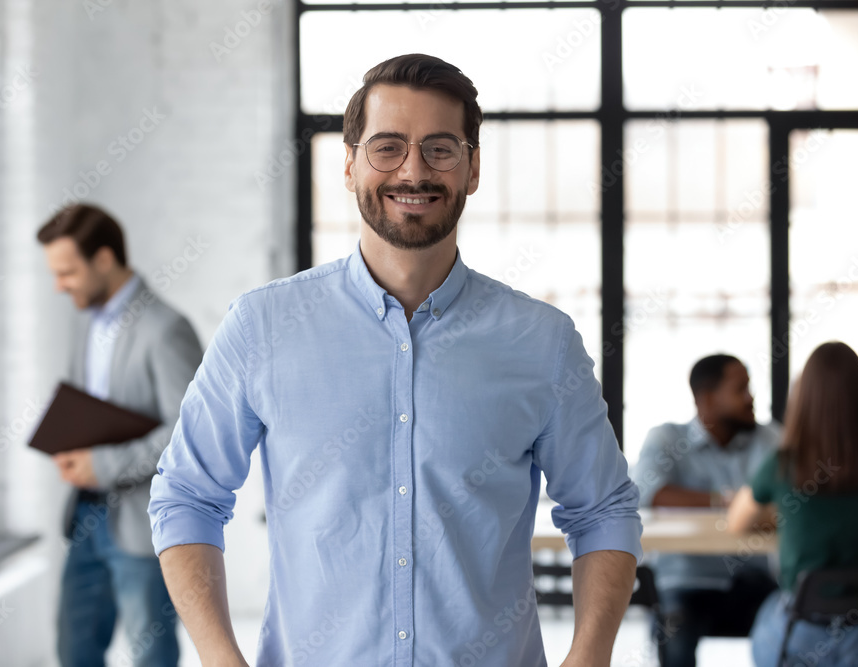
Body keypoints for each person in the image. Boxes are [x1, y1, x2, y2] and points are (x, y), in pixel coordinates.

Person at [149, 53, 643, 667]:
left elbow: (603, 509)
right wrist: (221, 659)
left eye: (441, 149)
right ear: (351, 164)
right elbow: (187, 497)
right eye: (387, 147)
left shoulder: (541, 341)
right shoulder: (263, 328)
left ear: (472, 168)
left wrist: (589, 656)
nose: (413, 171)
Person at [36, 204, 203, 667]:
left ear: (104, 260)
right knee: (75, 649)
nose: (59, 285)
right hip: (85, 515)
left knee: (150, 654)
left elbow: (189, 432)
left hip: (142, 522)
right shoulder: (85, 321)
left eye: (67, 272)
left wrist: (103, 464)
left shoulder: (166, 329)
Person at [630, 353, 780, 667]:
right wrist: (729, 501)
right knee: (675, 636)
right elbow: (648, 492)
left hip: (753, 578)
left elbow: (793, 494)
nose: (750, 398)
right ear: (708, 399)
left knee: (793, 627)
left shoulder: (769, 440)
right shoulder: (668, 438)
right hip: (686, 582)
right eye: (740, 390)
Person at [728, 341, 858, 667]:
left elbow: (737, 522)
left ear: (804, 396)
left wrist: (786, 516)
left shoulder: (782, 464)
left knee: (768, 608)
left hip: (801, 634)